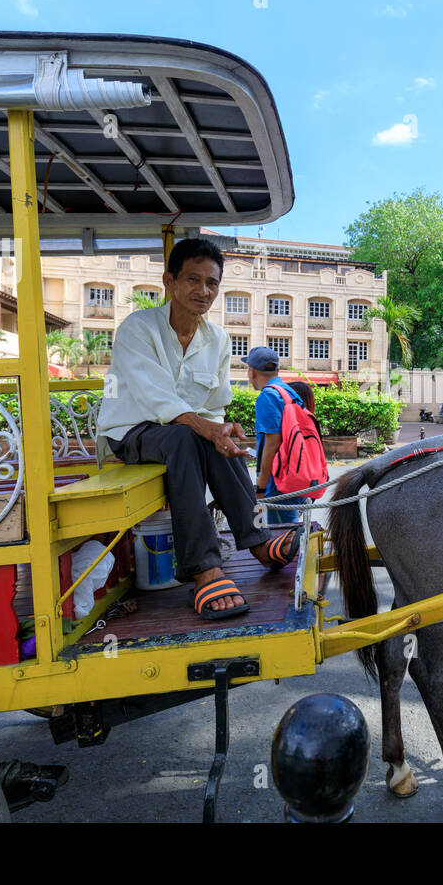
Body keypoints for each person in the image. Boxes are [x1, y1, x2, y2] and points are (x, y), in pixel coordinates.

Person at [97, 238, 301, 622]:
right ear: (169, 281)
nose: (203, 291)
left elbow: (213, 406)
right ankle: (203, 568)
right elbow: (155, 399)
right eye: (193, 280)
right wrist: (207, 428)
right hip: (129, 432)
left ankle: (256, 540)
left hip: (183, 435)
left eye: (212, 283)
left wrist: (221, 431)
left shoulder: (219, 339)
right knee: (188, 436)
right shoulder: (138, 328)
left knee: (211, 438)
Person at [244, 348, 306, 525]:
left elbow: (274, 443)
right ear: (277, 371)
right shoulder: (288, 393)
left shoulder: (268, 396)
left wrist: (261, 487)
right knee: (286, 532)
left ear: (253, 371)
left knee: (275, 536)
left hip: (277, 484)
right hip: (294, 476)